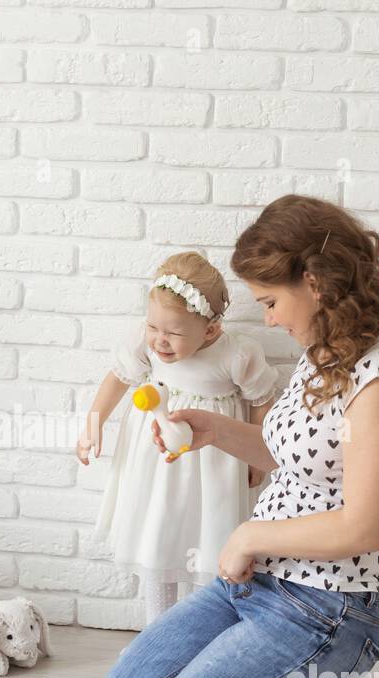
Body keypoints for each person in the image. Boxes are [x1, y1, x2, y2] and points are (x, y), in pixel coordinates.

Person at [99, 194, 379, 678]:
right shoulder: (326, 351)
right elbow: (295, 458)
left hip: (324, 612)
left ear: (317, 283)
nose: (271, 320)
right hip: (254, 584)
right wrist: (215, 431)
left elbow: (362, 526)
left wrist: (251, 533)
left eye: (272, 302)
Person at [77, 252, 279, 625]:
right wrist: (93, 424)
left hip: (213, 462)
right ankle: (157, 631)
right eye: (154, 327)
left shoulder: (236, 353)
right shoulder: (144, 342)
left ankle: (200, 631)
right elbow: (118, 379)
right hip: (154, 458)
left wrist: (256, 459)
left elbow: (260, 402)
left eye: (174, 333)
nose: (159, 341)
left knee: (209, 538)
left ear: (211, 330)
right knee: (158, 534)